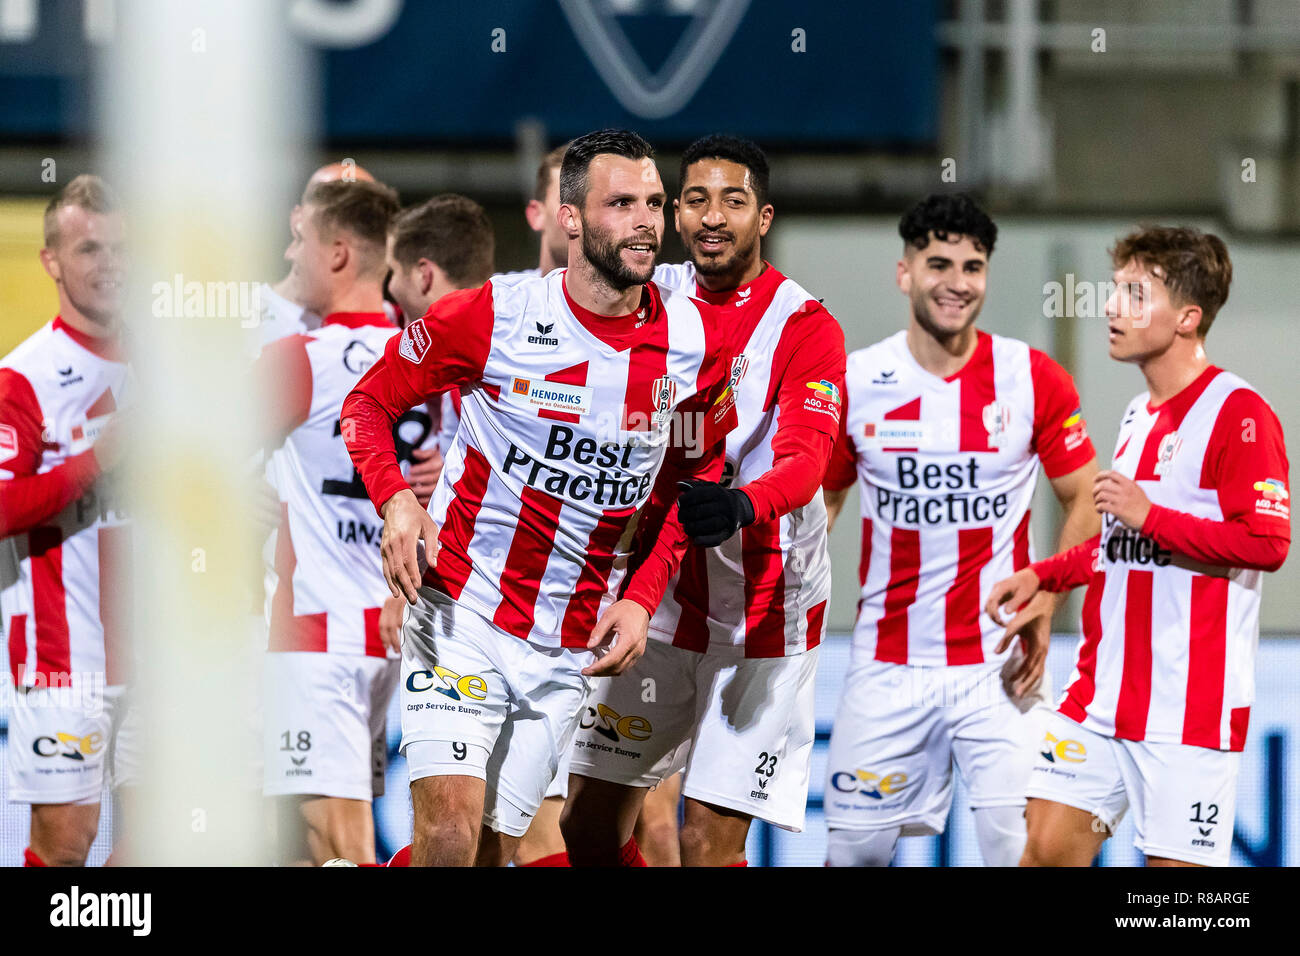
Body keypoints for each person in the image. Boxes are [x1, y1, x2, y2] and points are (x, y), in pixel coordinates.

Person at [341, 128, 737, 867]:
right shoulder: (497, 315)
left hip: (569, 642)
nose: (647, 220)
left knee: (492, 854)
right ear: (571, 218)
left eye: (654, 202)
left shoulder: (695, 343)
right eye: (622, 203)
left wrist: (645, 597)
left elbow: (695, 482)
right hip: (463, 607)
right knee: (451, 834)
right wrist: (397, 500)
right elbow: (367, 404)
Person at [562, 135, 846, 867]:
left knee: (704, 844)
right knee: (587, 827)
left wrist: (743, 506)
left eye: (734, 200)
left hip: (766, 617)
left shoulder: (806, 327)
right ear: (675, 215)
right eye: (695, 199)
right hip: (662, 605)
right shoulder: (649, 304)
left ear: (765, 217)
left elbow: (808, 463)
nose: (713, 216)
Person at [986, 226, 1289, 867]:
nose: (1109, 307)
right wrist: (1046, 576)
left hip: (1188, 712)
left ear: (1187, 317)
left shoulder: (1240, 414)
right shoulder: (1137, 415)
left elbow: (1266, 543)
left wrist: (1151, 515)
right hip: (1100, 698)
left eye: (1133, 294)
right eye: (1114, 290)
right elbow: (1121, 551)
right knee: (1039, 856)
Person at [820, 193, 1100, 866]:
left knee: (1023, 852)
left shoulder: (1032, 378)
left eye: (972, 267)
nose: (956, 283)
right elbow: (820, 507)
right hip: (887, 665)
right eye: (938, 263)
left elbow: (1087, 496)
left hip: (999, 666)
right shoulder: (857, 381)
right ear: (904, 272)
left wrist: (1048, 598)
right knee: (853, 856)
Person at [255, 179, 411, 865]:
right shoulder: (427, 355)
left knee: (336, 849)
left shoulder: (299, 358)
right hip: (392, 629)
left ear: (340, 254)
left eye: (301, 243)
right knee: (299, 841)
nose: (292, 258)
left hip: (314, 636)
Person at [1, 175, 132, 866]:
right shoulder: (23, 378)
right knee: (63, 849)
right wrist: (94, 463)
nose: (108, 264)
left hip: (164, 656)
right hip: (62, 658)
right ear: (51, 260)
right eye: (88, 249)